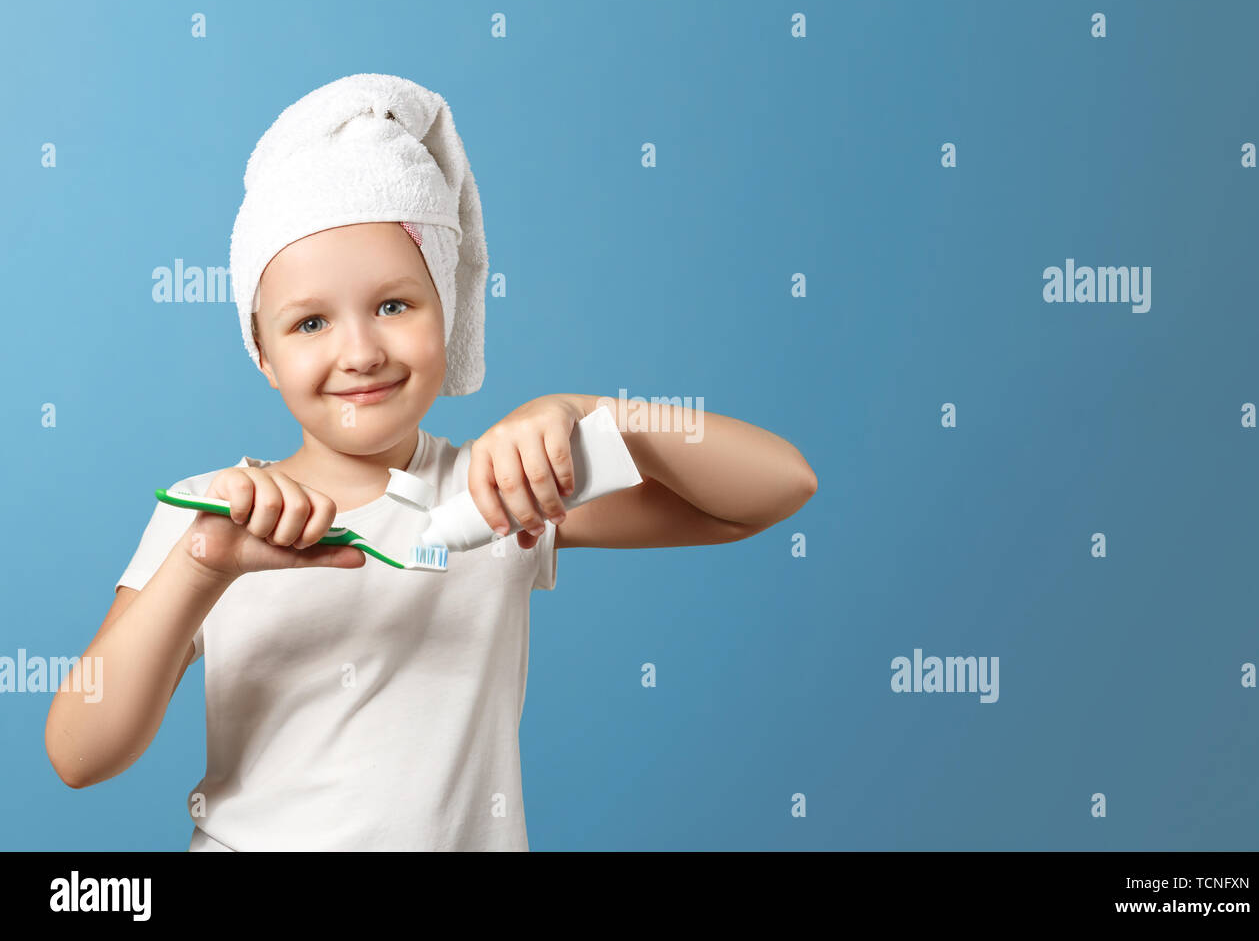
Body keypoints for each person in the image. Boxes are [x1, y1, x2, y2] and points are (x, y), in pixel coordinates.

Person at [43, 74, 817, 851]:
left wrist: (594, 414)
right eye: (310, 322)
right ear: (265, 355)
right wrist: (204, 565)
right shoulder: (208, 513)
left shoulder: (502, 492)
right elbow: (79, 755)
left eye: (393, 305)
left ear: (447, 312)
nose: (360, 352)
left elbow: (777, 487)